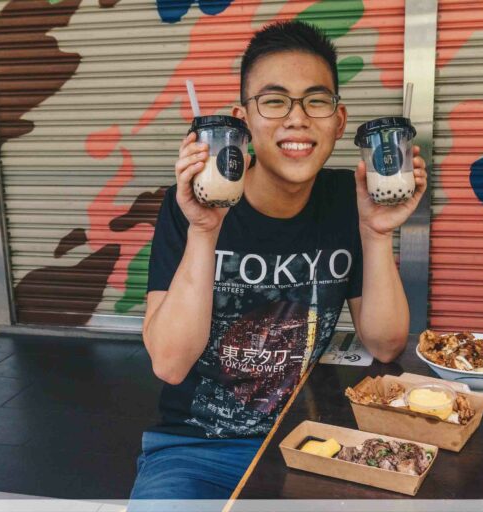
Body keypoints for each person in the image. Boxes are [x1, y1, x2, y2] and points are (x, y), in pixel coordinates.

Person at [129, 19, 427, 504]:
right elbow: (169, 363)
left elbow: (386, 343)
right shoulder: (190, 204)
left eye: (316, 100)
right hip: (194, 449)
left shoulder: (344, 201)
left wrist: (376, 233)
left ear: (339, 119)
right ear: (241, 119)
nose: (297, 118)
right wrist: (205, 231)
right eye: (273, 101)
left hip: (314, 437)